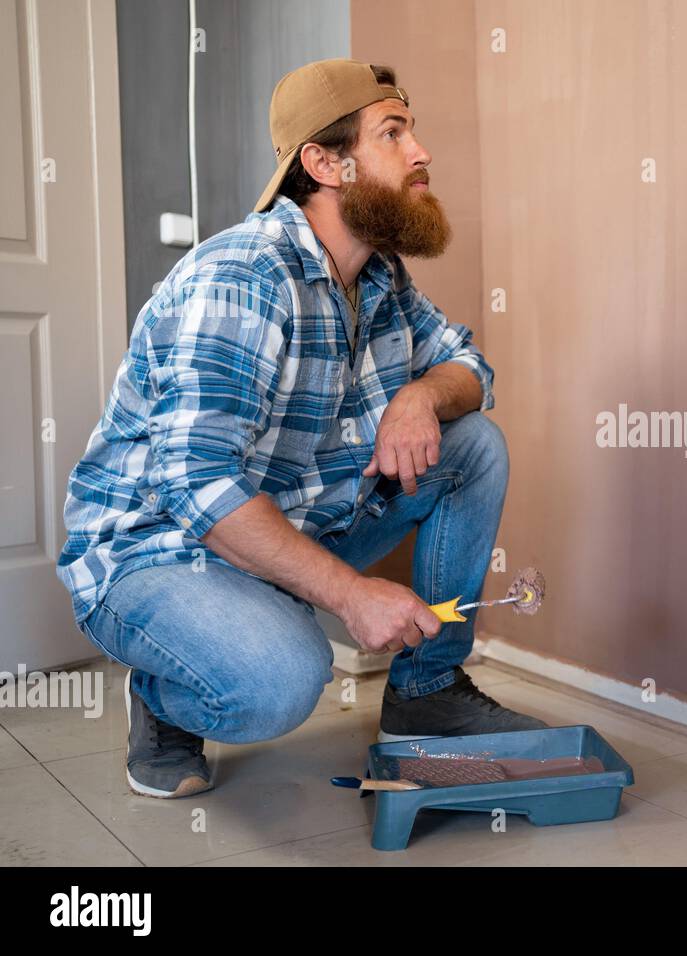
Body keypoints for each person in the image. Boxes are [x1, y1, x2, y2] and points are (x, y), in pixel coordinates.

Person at [56, 58, 546, 799]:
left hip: (282, 526)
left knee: (471, 446)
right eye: (394, 133)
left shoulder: (378, 277)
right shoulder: (244, 279)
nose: (422, 152)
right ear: (324, 163)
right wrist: (351, 595)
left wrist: (420, 395)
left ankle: (429, 689)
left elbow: (469, 367)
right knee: (284, 682)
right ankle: (161, 696)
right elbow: (199, 484)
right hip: (159, 554)